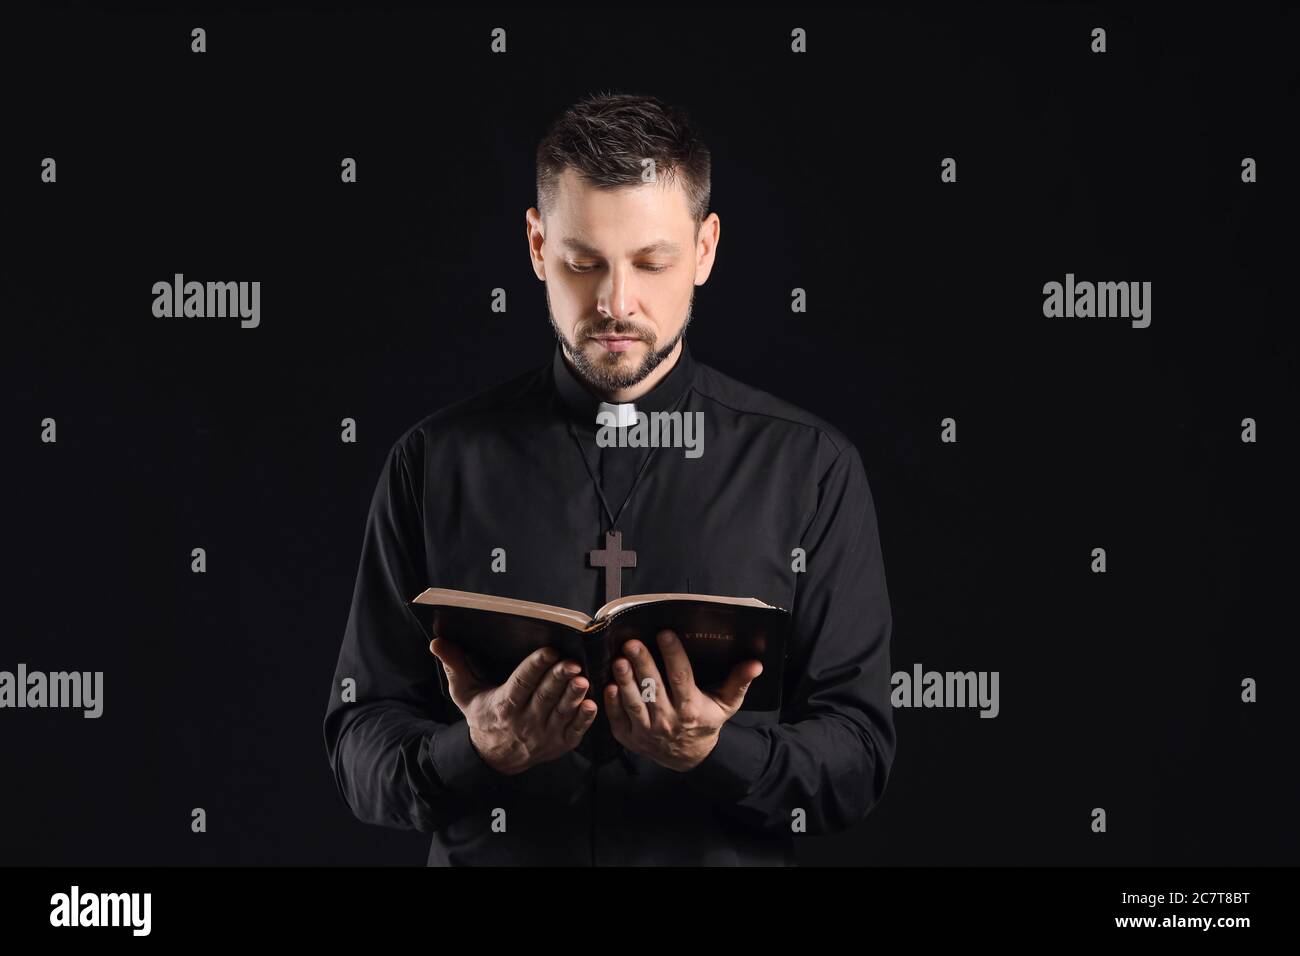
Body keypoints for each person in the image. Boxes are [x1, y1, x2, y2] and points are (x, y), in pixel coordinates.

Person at [322, 92, 896, 865]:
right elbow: (359, 738)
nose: (615, 303)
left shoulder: (811, 469)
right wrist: (477, 749)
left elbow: (858, 758)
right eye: (582, 262)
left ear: (705, 250)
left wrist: (711, 752)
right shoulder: (433, 461)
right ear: (535, 245)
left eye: (652, 263)